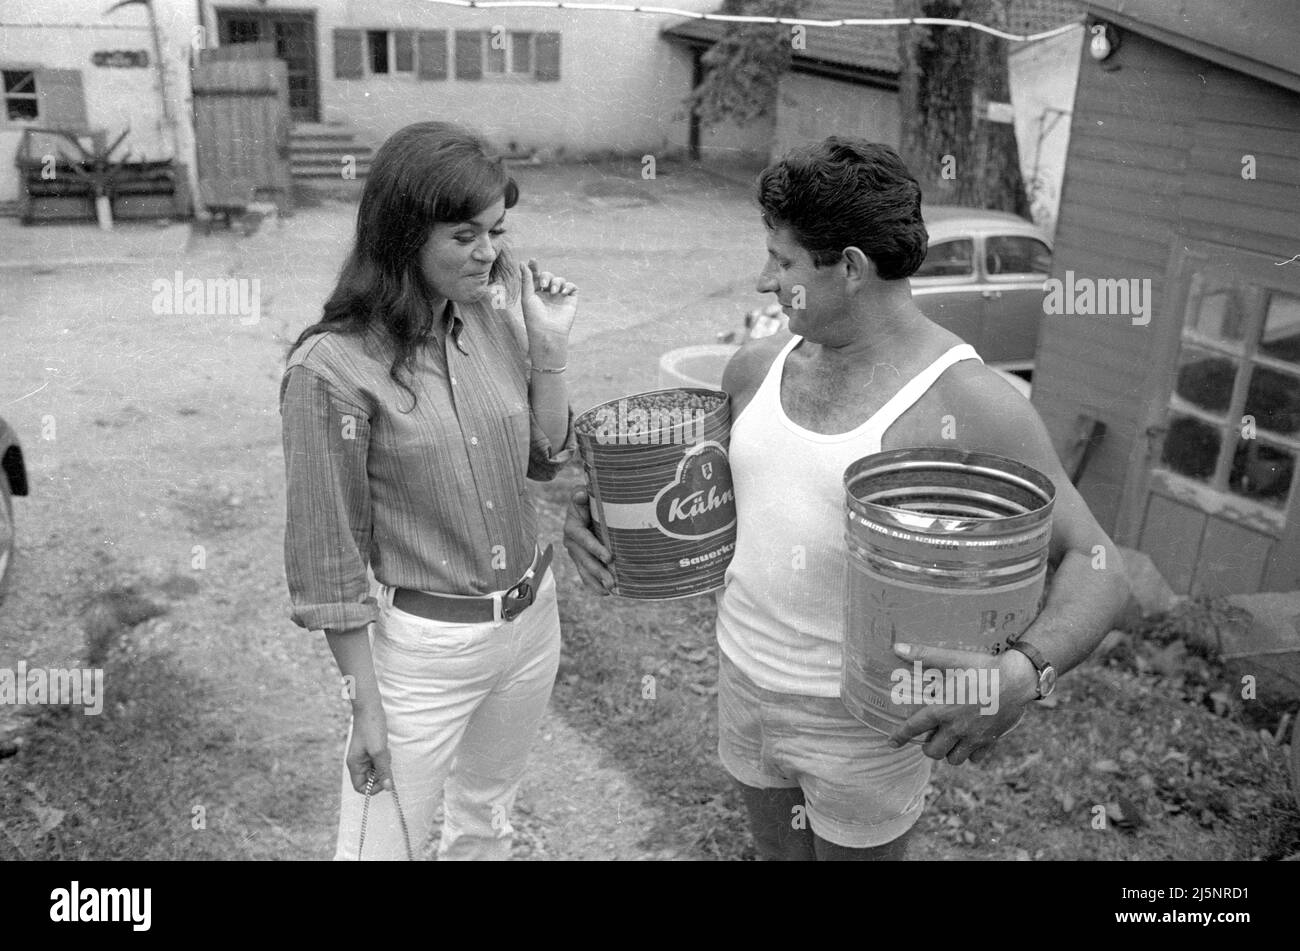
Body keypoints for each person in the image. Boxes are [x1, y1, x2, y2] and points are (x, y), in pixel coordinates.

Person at [563, 137, 1128, 860]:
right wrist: (602, 515)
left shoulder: (969, 402)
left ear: (852, 267)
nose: (766, 281)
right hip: (743, 681)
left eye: (783, 260)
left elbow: (1097, 559)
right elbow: (705, 499)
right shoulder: (755, 369)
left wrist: (1023, 674)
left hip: (864, 721)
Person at [280, 121, 578, 860]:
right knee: (376, 847)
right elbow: (329, 557)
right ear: (404, 235)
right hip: (425, 652)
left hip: (530, 623)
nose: (490, 253)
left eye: (497, 231)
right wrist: (366, 708)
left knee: (485, 822)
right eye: (464, 236)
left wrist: (549, 350)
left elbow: (546, 457)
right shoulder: (332, 369)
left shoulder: (489, 318)